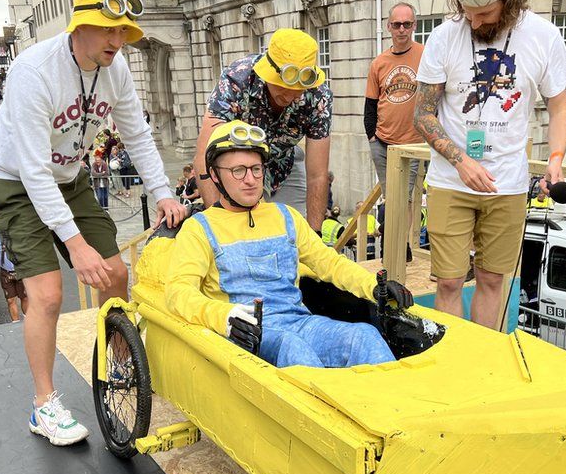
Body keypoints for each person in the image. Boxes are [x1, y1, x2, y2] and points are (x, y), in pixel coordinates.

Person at [0, 0, 185, 446]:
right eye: (108, 31)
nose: (118, 41)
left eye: (123, 32)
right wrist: (74, 244)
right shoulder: (33, 72)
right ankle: (44, 405)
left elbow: (136, 134)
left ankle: (117, 361)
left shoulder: (115, 69)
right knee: (49, 295)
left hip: (69, 179)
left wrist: (163, 192)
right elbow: (32, 169)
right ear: (80, 28)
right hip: (16, 181)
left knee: (115, 273)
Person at [167, 120, 411, 368]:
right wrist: (224, 316)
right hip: (250, 336)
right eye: (238, 171)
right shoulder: (200, 228)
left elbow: (330, 263)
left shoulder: (286, 217)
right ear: (216, 175)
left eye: (256, 169)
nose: (250, 179)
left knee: (364, 336)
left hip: (298, 323)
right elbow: (179, 292)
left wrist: (374, 287)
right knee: (293, 347)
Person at [413, 0, 566, 328]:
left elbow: (560, 109)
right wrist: (461, 160)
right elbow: (422, 114)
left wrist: (556, 158)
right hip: (450, 182)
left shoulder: (543, 36)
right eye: (468, 14)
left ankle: (481, 366)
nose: (474, 22)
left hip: (508, 185)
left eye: (484, 14)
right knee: (450, 281)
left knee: (492, 280)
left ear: (509, 1)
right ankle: (452, 362)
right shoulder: (443, 37)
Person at [193, 28, 332, 230]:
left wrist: (315, 235)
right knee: (238, 230)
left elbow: (317, 174)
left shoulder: (319, 96)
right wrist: (217, 228)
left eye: (298, 91)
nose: (290, 96)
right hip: (236, 166)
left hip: (284, 163)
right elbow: (204, 156)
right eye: (283, 86)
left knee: (295, 232)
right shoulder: (237, 80)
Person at [365, 2, 426, 198]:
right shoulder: (379, 63)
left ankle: (405, 231)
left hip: (414, 143)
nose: (402, 30)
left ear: (414, 25)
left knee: (406, 199)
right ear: (388, 26)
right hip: (383, 144)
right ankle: (392, 231)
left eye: (407, 24)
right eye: (397, 24)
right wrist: (372, 138)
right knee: (391, 198)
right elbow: (370, 105)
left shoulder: (426, 55)